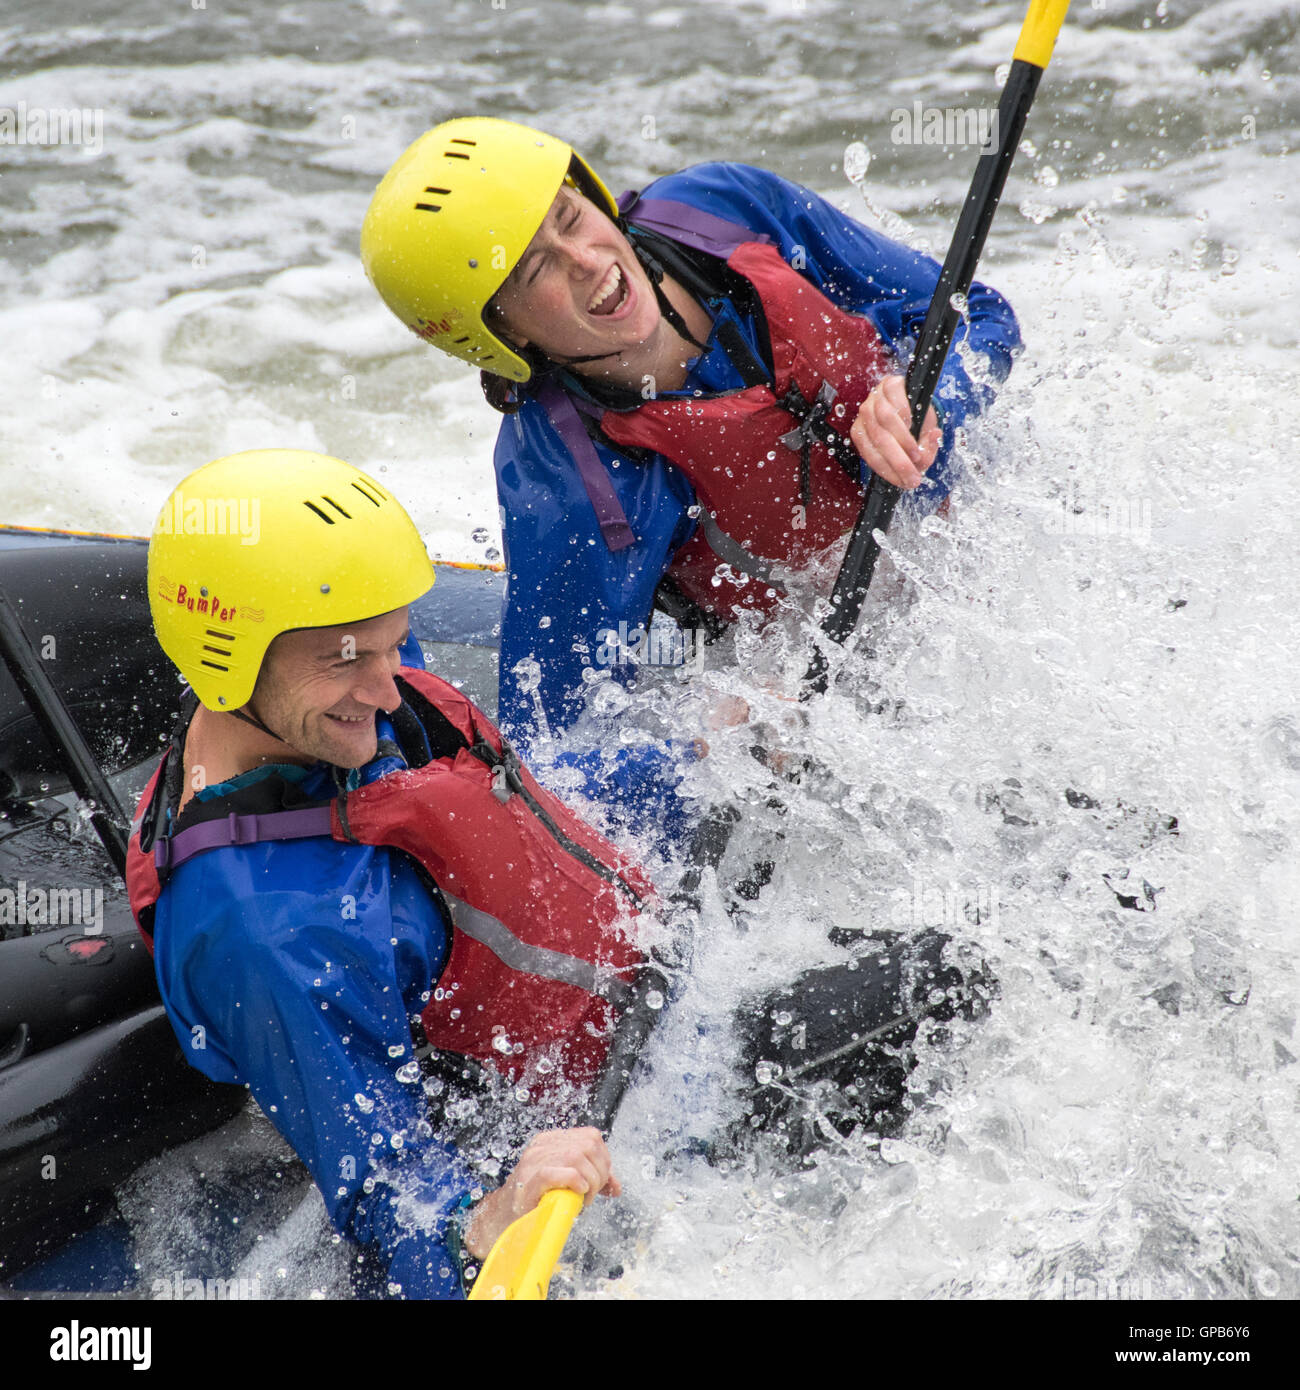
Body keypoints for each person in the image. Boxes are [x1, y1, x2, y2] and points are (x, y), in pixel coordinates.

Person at [126, 449, 983, 1301]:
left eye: (393, 645)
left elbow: (507, 796)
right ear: (228, 657)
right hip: (612, 1100)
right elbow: (385, 1197)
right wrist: (495, 1215)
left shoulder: (323, 700)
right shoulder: (265, 936)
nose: (390, 691)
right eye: (349, 660)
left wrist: (696, 753)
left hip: (645, 976)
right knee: (958, 981)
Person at [360, 117, 1022, 745]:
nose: (587, 260)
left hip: (986, 545)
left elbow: (980, 314)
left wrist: (937, 396)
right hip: (807, 656)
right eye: (536, 271)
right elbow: (553, 756)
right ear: (505, 337)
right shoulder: (567, 481)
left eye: (569, 218)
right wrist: (707, 744)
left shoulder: (727, 209)